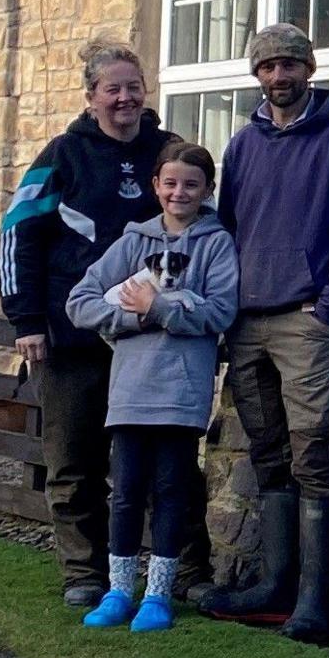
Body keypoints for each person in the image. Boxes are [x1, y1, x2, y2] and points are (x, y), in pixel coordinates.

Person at [203, 23, 329, 641]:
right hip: (247, 321)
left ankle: (315, 600)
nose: (279, 76)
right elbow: (225, 233)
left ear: (311, 69)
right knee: (268, 450)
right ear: (257, 75)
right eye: (268, 67)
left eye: (290, 64)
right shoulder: (242, 147)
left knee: (313, 451)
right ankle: (275, 587)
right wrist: (224, 306)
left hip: (307, 318)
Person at [0, 39, 173, 608]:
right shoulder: (61, 156)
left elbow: (200, 230)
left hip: (149, 338)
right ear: (91, 96)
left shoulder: (168, 152)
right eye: (112, 89)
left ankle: (176, 572)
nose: (124, 98)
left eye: (133, 87)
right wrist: (25, 318)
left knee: (156, 462)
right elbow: (17, 235)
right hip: (70, 335)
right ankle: (84, 574)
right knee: (73, 462)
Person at [64, 140, 240, 632]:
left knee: (171, 491)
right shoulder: (133, 243)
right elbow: (80, 302)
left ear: (207, 189)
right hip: (131, 388)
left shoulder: (216, 244)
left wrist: (160, 307)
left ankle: (158, 595)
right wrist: (134, 316)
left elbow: (222, 311)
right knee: (126, 492)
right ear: (155, 187)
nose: (179, 192)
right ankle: (120, 589)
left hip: (181, 391)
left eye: (191, 184)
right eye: (170, 183)